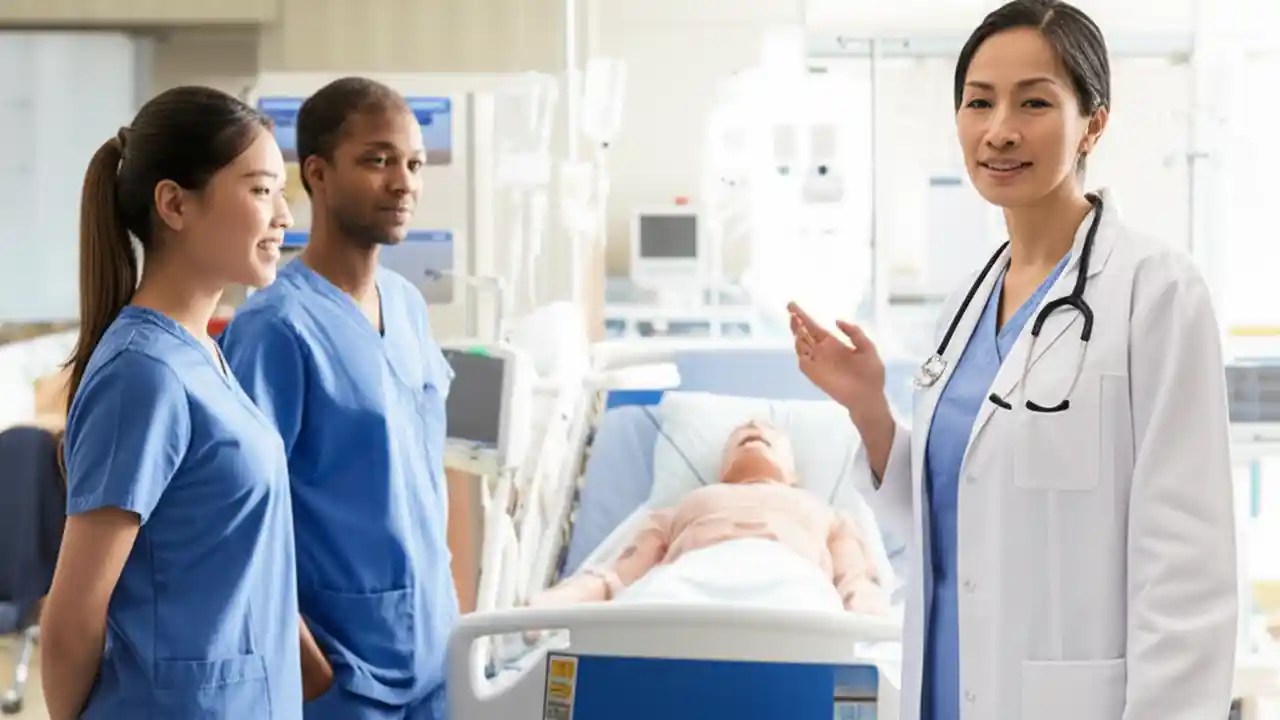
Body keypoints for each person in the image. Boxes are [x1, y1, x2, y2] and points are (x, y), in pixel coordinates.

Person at [788, 1, 1237, 718]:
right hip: (945, 690)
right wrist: (868, 409)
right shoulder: (965, 303)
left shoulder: (1155, 293)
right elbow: (957, 509)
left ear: (1094, 120)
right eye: (978, 102)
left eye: (1034, 102)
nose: (999, 130)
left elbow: (1187, 574)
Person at [38, 86, 312, 718]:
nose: (284, 217)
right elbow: (71, 618)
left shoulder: (203, 354)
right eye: (261, 189)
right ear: (174, 204)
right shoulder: (144, 373)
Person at [219, 77, 457, 720]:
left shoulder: (407, 306)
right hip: (343, 679)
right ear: (317, 174)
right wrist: (317, 674)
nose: (403, 182)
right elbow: (238, 527)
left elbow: (419, 481)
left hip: (435, 659)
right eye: (377, 160)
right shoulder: (274, 329)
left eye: (413, 162)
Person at [529, 420, 889, 614]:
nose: (753, 429)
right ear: (722, 468)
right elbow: (615, 577)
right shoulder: (683, 507)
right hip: (685, 587)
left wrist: (881, 639)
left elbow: (857, 585)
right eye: (737, 439)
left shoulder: (827, 514)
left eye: (770, 436)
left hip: (790, 587)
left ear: (795, 473)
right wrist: (553, 604)